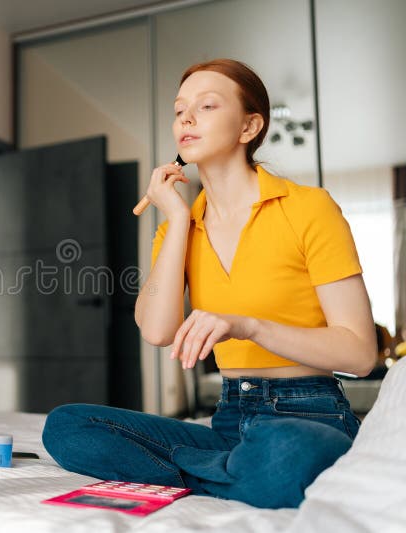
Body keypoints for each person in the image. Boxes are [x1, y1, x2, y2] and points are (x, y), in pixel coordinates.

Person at [41, 58, 377, 509]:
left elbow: (359, 353)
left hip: (309, 411)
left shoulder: (309, 209)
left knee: (289, 450)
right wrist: (177, 218)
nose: (185, 117)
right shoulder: (178, 227)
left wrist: (249, 326)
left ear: (248, 126)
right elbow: (157, 331)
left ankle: (221, 472)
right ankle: (238, 475)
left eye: (207, 105)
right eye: (180, 109)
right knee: (66, 428)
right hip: (230, 417)